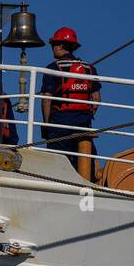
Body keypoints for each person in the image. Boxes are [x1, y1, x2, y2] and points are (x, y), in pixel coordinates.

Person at [40, 26, 99, 176]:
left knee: (58, 166)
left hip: (60, 123)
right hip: (83, 123)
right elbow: (97, 99)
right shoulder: (89, 69)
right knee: (84, 165)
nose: (52, 48)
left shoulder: (53, 68)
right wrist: (87, 114)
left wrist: (47, 125)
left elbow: (47, 100)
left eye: (53, 45)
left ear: (60, 45)